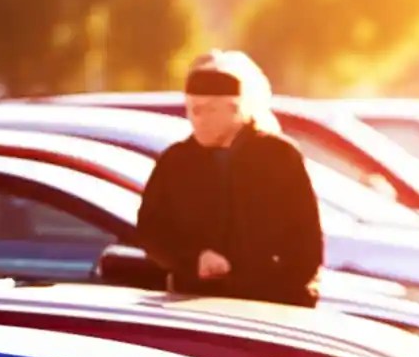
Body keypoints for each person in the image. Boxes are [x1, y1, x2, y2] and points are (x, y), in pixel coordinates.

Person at [137, 50, 324, 307]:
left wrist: (273, 285)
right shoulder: (176, 161)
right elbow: (152, 231)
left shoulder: (279, 157)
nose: (198, 119)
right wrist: (194, 259)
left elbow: (306, 243)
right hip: (195, 305)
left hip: (270, 308)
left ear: (235, 109)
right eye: (193, 110)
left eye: (209, 110)